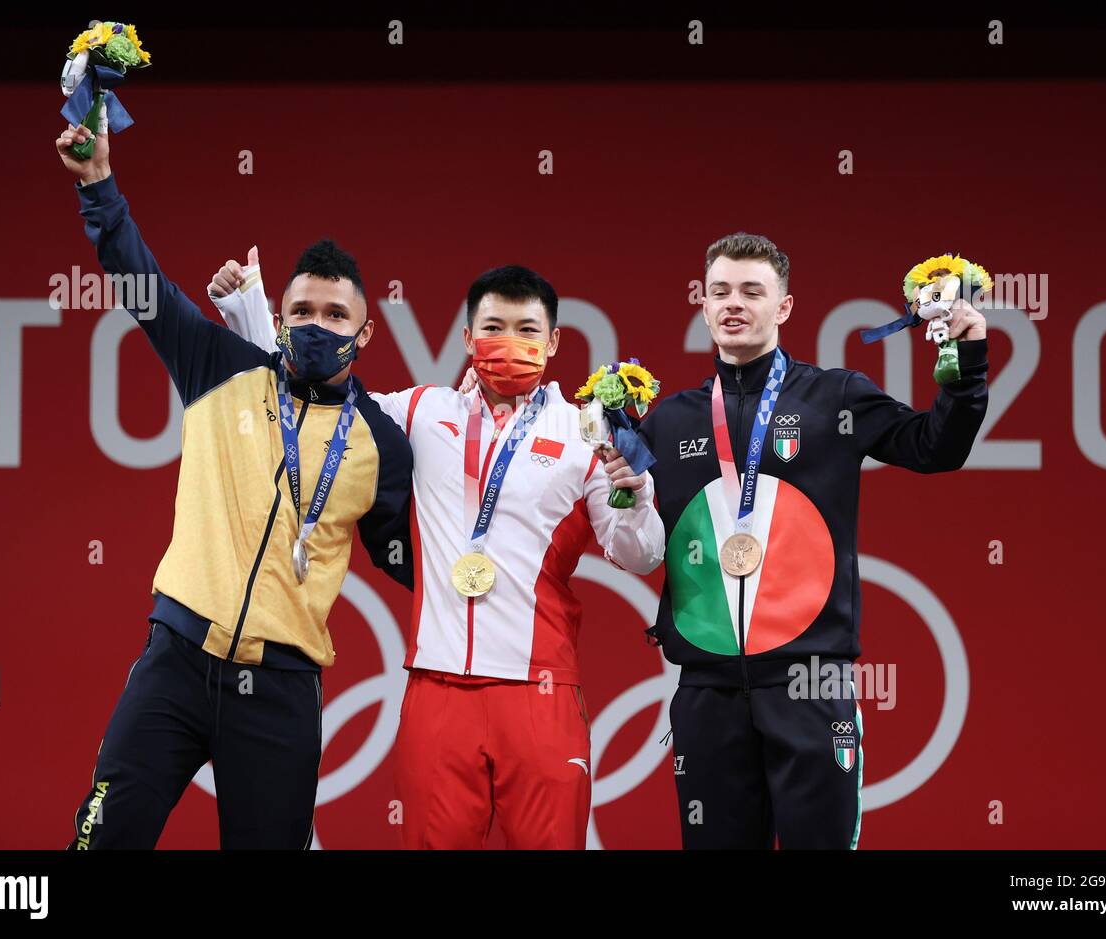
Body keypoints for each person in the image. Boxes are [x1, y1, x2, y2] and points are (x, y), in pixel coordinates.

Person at [211, 259, 665, 849]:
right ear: (468, 338)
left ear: (554, 342)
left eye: (527, 330)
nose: (510, 342)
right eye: (494, 328)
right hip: (436, 689)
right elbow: (315, 400)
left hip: (540, 690)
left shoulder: (587, 432)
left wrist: (635, 491)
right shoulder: (421, 411)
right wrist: (248, 312)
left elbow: (639, 556)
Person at [55, 122, 413, 849]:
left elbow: (412, 559)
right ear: (278, 320)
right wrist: (97, 185)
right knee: (103, 840)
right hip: (176, 663)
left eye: (336, 315)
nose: (317, 326)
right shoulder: (220, 367)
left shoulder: (382, 444)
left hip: (280, 689)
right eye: (302, 312)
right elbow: (142, 285)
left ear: (365, 332)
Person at [636, 232, 990, 849]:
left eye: (752, 291)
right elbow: (632, 539)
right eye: (720, 291)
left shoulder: (836, 397)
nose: (734, 303)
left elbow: (937, 448)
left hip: (811, 684)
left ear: (785, 307)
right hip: (706, 690)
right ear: (704, 304)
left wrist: (967, 364)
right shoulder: (668, 422)